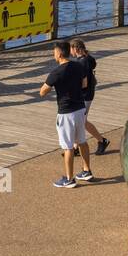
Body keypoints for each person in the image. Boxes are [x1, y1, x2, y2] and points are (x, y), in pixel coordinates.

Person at [40, 40, 98, 188]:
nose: (53, 54)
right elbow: (84, 84)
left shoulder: (56, 72)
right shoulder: (78, 66)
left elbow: (42, 92)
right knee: (82, 141)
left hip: (66, 112)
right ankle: (86, 171)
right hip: (80, 109)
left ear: (59, 53)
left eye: (54, 52)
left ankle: (69, 178)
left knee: (68, 147)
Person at [69, 38, 109, 157]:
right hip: (88, 93)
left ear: (75, 48)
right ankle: (76, 147)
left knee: (81, 122)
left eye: (71, 49)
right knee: (80, 121)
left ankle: (102, 140)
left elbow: (84, 83)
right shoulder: (88, 59)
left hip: (84, 96)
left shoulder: (82, 63)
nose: (70, 52)